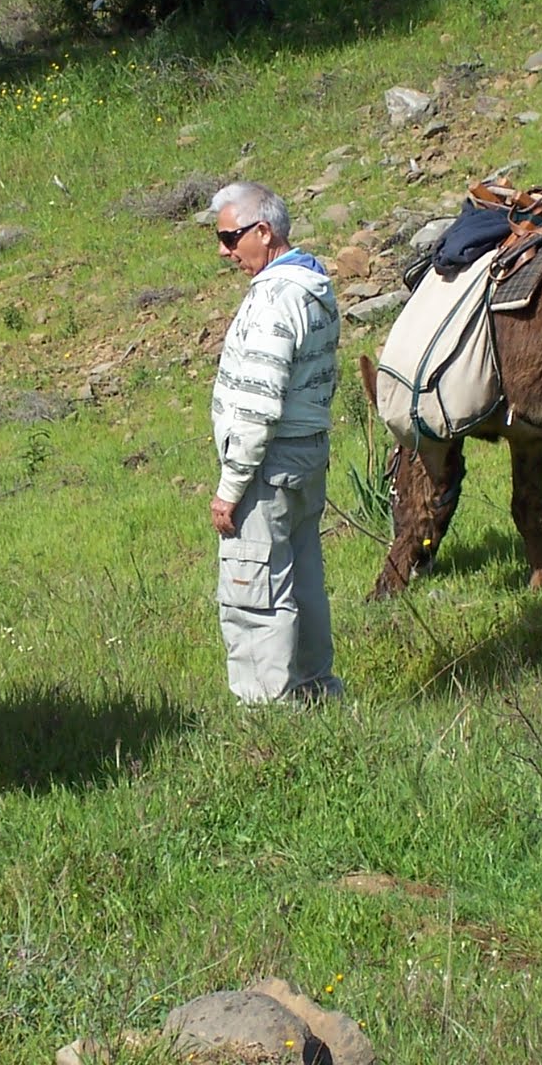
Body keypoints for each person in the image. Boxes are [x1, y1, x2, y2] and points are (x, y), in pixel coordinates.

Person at [207, 181, 343, 704]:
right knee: (303, 577)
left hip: (268, 465)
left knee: (255, 588)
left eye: (229, 236)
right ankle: (314, 690)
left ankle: (268, 717)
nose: (224, 251)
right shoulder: (313, 286)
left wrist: (231, 485)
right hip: (305, 454)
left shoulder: (274, 298)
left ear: (263, 232)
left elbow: (260, 400)